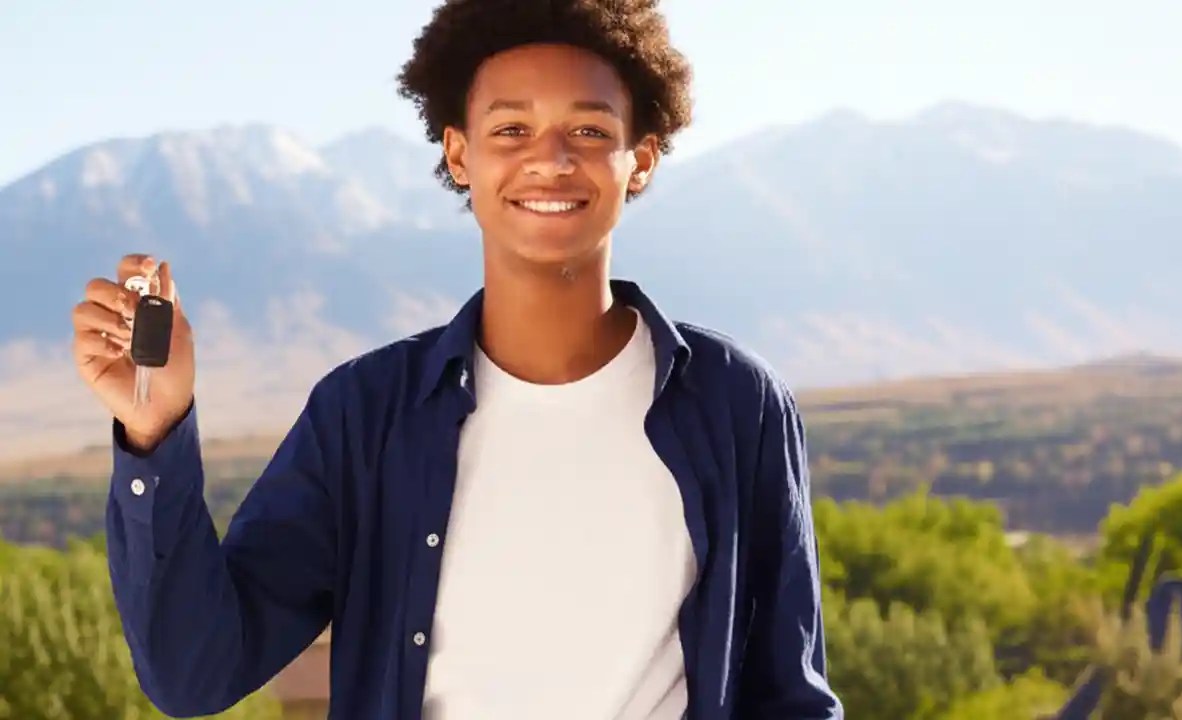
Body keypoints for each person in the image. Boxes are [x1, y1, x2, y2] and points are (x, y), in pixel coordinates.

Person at [69, 1, 842, 718]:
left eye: (589, 131)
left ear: (639, 160)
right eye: (511, 130)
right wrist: (155, 434)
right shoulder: (365, 416)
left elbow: (790, 692)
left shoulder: (737, 405)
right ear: (459, 153)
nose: (551, 160)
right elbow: (193, 673)